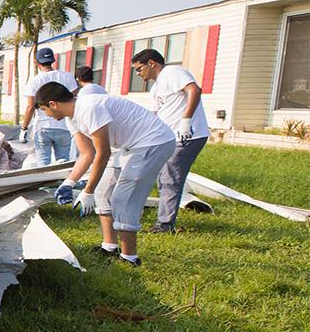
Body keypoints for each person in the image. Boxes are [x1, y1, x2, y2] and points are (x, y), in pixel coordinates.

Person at [39, 82, 176, 266]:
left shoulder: (89, 108)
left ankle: (130, 257)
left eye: (44, 109)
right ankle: (109, 247)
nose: (45, 114)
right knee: (104, 191)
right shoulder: (71, 118)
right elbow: (87, 154)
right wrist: (68, 183)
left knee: (124, 198)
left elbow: (103, 153)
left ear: (53, 104)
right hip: (129, 146)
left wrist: (87, 190)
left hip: (153, 142)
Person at [130, 48, 211, 233]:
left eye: (139, 68)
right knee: (162, 176)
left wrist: (186, 120)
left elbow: (194, 90)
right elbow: (154, 116)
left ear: (151, 63)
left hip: (188, 135)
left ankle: (165, 225)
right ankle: (165, 219)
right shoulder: (157, 87)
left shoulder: (173, 73)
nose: (138, 73)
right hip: (169, 138)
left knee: (170, 177)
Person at [21, 47, 78, 164]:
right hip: (64, 126)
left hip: (43, 126)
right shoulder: (67, 77)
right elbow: (73, 99)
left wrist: (24, 128)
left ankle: (44, 182)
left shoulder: (35, 80)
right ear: (53, 60)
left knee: (43, 162)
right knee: (63, 161)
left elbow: (30, 107)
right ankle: (61, 181)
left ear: (37, 62)